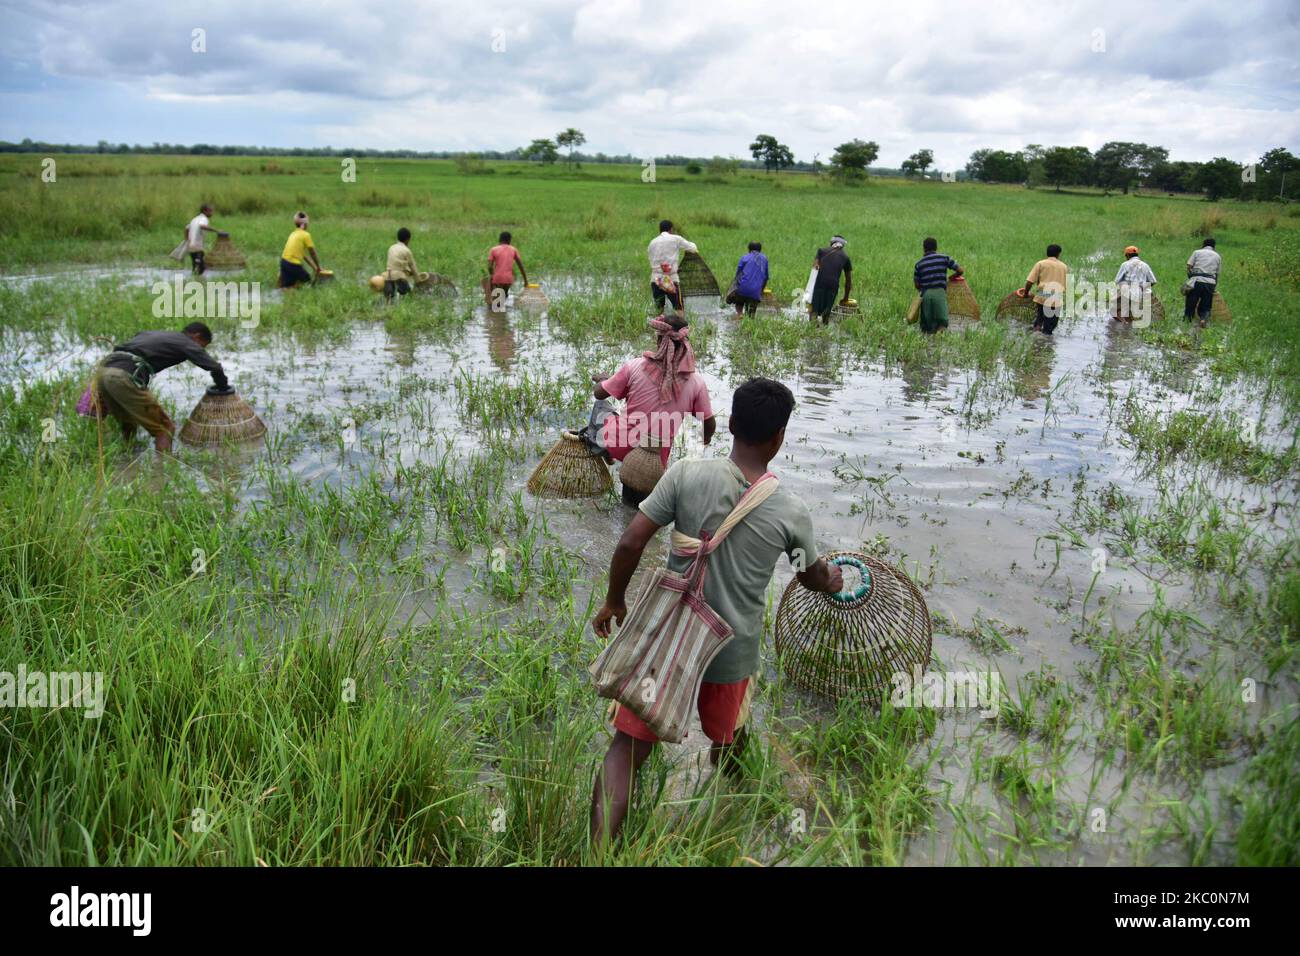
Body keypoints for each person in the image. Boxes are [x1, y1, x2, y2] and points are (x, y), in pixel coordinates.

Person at [589, 377, 844, 845]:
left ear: (728, 425)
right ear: (779, 437)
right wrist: (834, 581)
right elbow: (810, 574)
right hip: (730, 653)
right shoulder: (790, 511)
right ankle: (732, 821)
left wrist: (614, 600)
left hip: (669, 642)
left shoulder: (687, 474)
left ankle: (598, 854)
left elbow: (630, 541)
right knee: (730, 739)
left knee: (626, 750)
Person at [587, 311, 716, 505]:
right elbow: (709, 423)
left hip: (621, 446)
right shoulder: (695, 382)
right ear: (685, 343)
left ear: (659, 342)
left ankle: (603, 450)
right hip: (656, 460)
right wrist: (705, 439)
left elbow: (599, 394)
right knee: (642, 508)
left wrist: (603, 379)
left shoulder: (635, 367)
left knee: (600, 407)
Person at [92, 322, 228, 455]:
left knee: (127, 421)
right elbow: (214, 367)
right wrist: (223, 387)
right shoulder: (186, 342)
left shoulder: (152, 334)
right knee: (165, 428)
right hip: (123, 376)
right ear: (197, 337)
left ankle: (128, 455)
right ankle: (164, 469)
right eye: (202, 346)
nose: (201, 349)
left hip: (103, 372)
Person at [913, 237, 963, 334]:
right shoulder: (944, 258)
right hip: (940, 294)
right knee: (942, 325)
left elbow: (917, 284)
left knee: (927, 328)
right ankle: (938, 344)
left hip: (926, 295)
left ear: (924, 248)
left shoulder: (919, 264)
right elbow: (960, 270)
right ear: (936, 247)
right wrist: (951, 277)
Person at [647, 220, 697, 314]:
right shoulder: (675, 239)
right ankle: (681, 327)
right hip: (670, 278)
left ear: (660, 230)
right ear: (671, 229)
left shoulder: (652, 243)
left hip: (656, 279)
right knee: (678, 307)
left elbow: (650, 258)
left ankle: (659, 327)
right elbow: (692, 248)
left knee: (659, 308)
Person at [1021, 243, 1068, 335]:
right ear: (1058, 254)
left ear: (1047, 254)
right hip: (1056, 297)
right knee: (1049, 327)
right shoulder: (1064, 267)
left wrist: (1026, 293)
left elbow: (1030, 281)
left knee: (1040, 319)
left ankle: (1036, 337)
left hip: (1042, 295)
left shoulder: (1041, 264)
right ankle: (1045, 342)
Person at [809, 235, 852, 324]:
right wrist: (845, 298)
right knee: (826, 314)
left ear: (831, 243)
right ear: (843, 246)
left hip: (820, 283)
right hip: (833, 286)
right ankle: (824, 331)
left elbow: (815, 267)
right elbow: (848, 281)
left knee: (814, 312)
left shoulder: (821, 251)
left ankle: (812, 331)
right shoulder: (846, 257)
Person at [1184, 237, 1221, 329]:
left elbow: (1189, 266)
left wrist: (1191, 277)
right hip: (1210, 283)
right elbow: (1217, 274)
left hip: (1197, 281)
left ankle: (1187, 322)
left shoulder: (1197, 252)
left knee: (1191, 303)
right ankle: (1203, 319)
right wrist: (1214, 286)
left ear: (1203, 245)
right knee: (1206, 306)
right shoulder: (1217, 256)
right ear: (1214, 246)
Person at [1113, 245, 1157, 323]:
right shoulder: (1145, 265)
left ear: (1127, 255)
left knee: (1113, 310)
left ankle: (1124, 325)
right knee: (1129, 312)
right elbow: (1153, 281)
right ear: (1137, 255)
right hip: (1139, 294)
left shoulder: (1125, 264)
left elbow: (1117, 281)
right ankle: (1128, 326)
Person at [486, 231, 527, 311]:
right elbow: (521, 266)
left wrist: (492, 275)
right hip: (508, 280)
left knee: (495, 304)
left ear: (499, 239)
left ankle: (497, 319)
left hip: (497, 279)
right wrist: (525, 280)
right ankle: (502, 318)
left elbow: (490, 266)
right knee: (502, 298)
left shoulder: (494, 249)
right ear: (509, 240)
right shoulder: (513, 249)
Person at [279, 212, 322, 288]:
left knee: (287, 287)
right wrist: (318, 266)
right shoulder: (305, 235)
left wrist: (315, 268)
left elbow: (304, 256)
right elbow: (313, 253)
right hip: (293, 264)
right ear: (305, 224)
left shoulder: (293, 234)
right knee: (308, 283)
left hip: (284, 262)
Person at [727, 241, 769, 318]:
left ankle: (740, 314)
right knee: (751, 314)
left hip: (742, 290)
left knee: (739, 302)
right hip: (755, 293)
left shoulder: (744, 257)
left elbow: (737, 275)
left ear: (749, 250)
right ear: (760, 250)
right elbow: (765, 278)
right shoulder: (764, 259)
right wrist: (760, 292)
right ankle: (750, 319)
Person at [184, 204, 223, 276]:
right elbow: (202, 226)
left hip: (191, 245)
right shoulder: (204, 219)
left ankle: (194, 279)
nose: (212, 213)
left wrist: (187, 240)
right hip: (197, 245)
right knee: (201, 266)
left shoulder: (195, 219)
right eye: (210, 211)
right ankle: (198, 281)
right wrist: (216, 230)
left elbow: (186, 228)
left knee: (196, 263)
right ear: (205, 211)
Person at [384, 227, 420, 301]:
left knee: (389, 298)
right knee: (409, 295)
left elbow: (394, 264)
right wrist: (418, 280)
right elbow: (413, 267)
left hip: (387, 276)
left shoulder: (391, 247)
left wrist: (408, 272)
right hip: (399, 277)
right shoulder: (406, 251)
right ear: (408, 239)